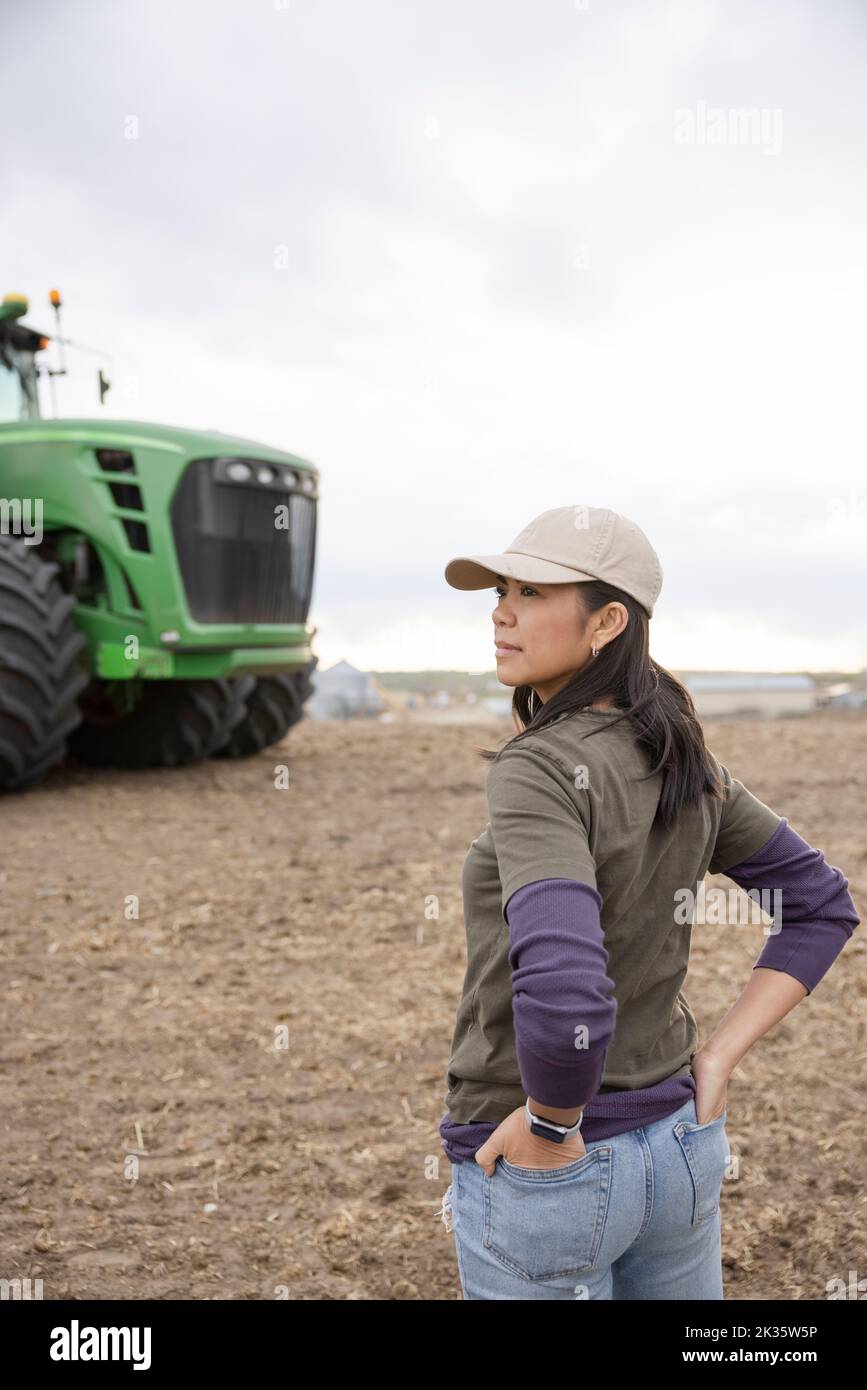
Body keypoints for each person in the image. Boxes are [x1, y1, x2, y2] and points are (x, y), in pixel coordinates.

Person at [436, 504, 860, 1301]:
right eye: (501, 590)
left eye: (531, 593)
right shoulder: (682, 758)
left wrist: (554, 1125)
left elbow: (567, 991)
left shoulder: (537, 769)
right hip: (678, 1150)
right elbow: (820, 905)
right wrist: (718, 1056)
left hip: (551, 1171)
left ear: (607, 621)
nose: (500, 611)